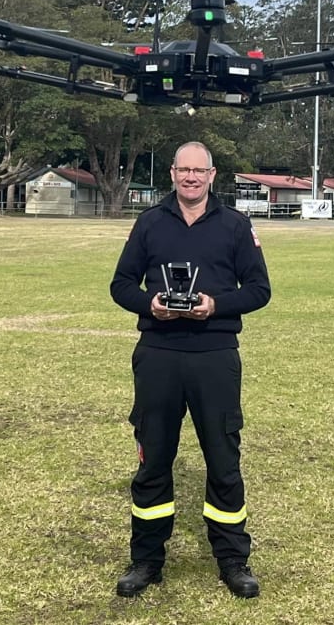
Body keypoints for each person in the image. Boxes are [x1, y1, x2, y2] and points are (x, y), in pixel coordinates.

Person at [109, 141, 271, 599]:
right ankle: (147, 559)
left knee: (223, 460)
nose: (192, 177)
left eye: (200, 171)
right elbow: (121, 285)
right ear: (173, 173)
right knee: (153, 458)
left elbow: (259, 290)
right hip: (158, 353)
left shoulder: (235, 225)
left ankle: (232, 560)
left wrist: (215, 305)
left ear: (212, 175)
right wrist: (151, 305)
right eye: (184, 170)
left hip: (214, 354)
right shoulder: (149, 222)